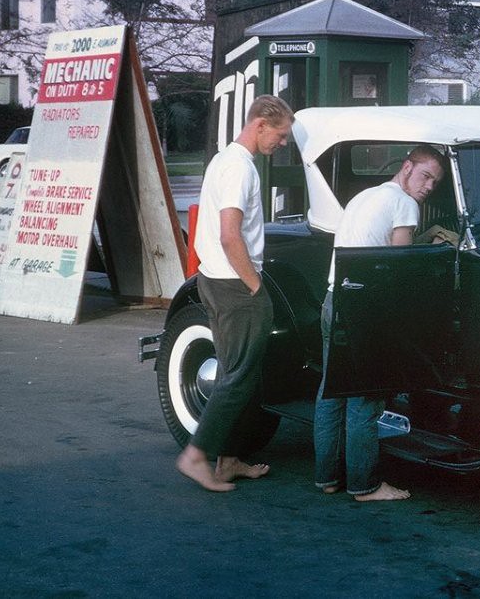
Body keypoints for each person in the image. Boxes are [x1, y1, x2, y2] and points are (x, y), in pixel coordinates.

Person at [313, 143, 446, 501]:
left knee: (331, 392)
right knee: (365, 398)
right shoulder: (405, 203)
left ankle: (327, 478)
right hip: (365, 308)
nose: (428, 186)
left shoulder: (363, 197)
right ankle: (365, 485)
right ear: (406, 168)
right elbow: (398, 260)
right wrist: (431, 244)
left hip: (334, 300)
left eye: (435, 182)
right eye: (425, 176)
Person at [176, 94, 294, 492]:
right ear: (260, 124)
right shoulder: (240, 168)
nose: (281, 143)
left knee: (235, 373)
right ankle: (196, 457)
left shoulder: (223, 159)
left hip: (214, 279)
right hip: (234, 285)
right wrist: (255, 286)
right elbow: (230, 235)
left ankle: (227, 460)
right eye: (279, 135)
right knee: (238, 378)